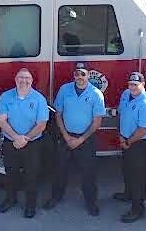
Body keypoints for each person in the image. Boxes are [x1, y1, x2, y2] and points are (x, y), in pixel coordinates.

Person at [44, 64, 106, 216]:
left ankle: (91, 202)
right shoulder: (65, 90)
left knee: (88, 173)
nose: (80, 77)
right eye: (77, 74)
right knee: (59, 170)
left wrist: (81, 139)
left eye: (83, 74)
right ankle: (55, 197)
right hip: (65, 136)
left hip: (86, 139)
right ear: (74, 75)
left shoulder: (96, 94)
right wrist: (66, 136)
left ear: (88, 76)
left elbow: (97, 122)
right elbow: (58, 114)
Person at [0, 68, 49, 218]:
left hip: (32, 143)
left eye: (27, 78)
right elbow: (2, 120)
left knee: (31, 175)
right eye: (20, 78)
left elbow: (41, 124)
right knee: (10, 173)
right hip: (10, 142)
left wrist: (25, 139)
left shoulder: (39, 99)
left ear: (31, 81)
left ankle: (30, 205)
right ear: (15, 80)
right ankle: (10, 199)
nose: (23, 81)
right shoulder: (6, 96)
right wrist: (15, 137)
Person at [113, 72, 146, 223]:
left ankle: (138, 208)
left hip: (139, 144)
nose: (132, 87)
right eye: (130, 84)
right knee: (127, 170)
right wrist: (120, 136)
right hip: (126, 140)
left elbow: (143, 129)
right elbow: (120, 115)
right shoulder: (126, 94)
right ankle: (128, 194)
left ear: (143, 85)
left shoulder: (145, 103)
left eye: (136, 85)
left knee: (139, 176)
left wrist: (128, 142)